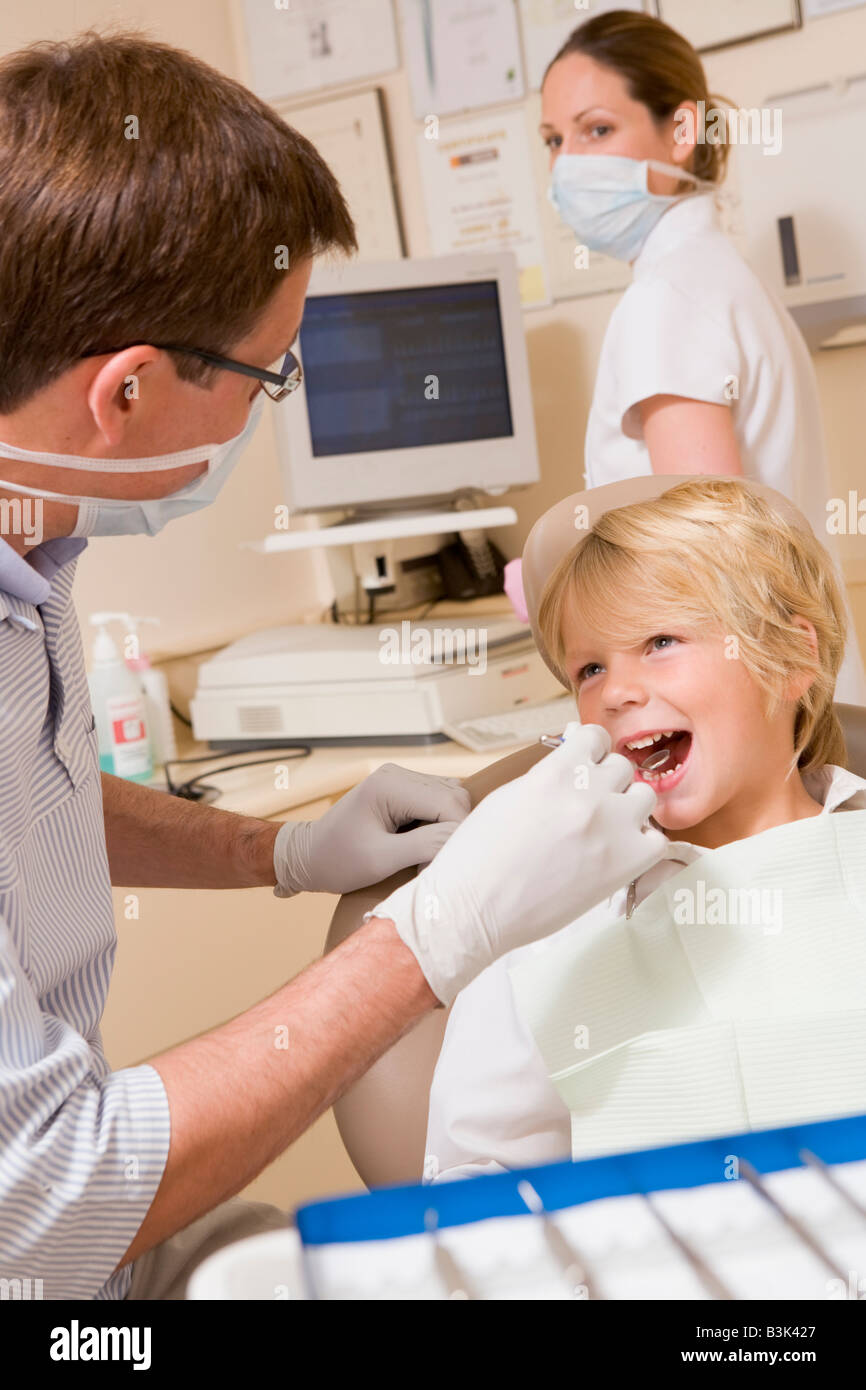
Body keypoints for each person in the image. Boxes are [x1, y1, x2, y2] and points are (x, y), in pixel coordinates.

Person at [0, 30, 668, 1300]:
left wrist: (274, 855)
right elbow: (41, 1197)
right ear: (125, 392)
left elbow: (29, 809)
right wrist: (432, 933)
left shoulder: (33, 544)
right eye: (268, 370)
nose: (274, 402)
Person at [424, 478, 866, 1181]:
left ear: (790, 658)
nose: (617, 691)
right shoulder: (545, 925)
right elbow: (480, 1181)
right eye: (590, 668)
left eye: (661, 641)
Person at [536, 8, 866, 705]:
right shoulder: (722, 276)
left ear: (681, 131)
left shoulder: (671, 297)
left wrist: (557, 584)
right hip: (790, 694)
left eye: (597, 129)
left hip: (744, 710)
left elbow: (706, 558)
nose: (569, 165)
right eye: (554, 140)